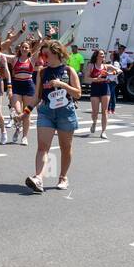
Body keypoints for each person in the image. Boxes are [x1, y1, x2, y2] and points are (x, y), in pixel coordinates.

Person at [25, 40, 82, 193]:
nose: (43, 57)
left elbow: (78, 93)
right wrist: (25, 113)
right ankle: (38, 179)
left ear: (56, 53)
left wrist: (62, 84)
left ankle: (63, 177)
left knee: (66, 147)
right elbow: (37, 96)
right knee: (43, 147)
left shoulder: (69, 71)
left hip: (66, 112)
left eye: (46, 54)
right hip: (46, 112)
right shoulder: (42, 72)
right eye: (42, 54)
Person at [85, 49, 115, 138]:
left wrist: (113, 73)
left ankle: (103, 132)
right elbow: (86, 78)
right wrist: (95, 79)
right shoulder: (91, 65)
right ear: (96, 56)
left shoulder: (106, 66)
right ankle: (94, 122)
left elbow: (119, 70)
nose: (103, 56)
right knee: (95, 112)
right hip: (95, 88)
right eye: (101, 54)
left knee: (104, 111)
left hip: (105, 88)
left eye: (103, 54)